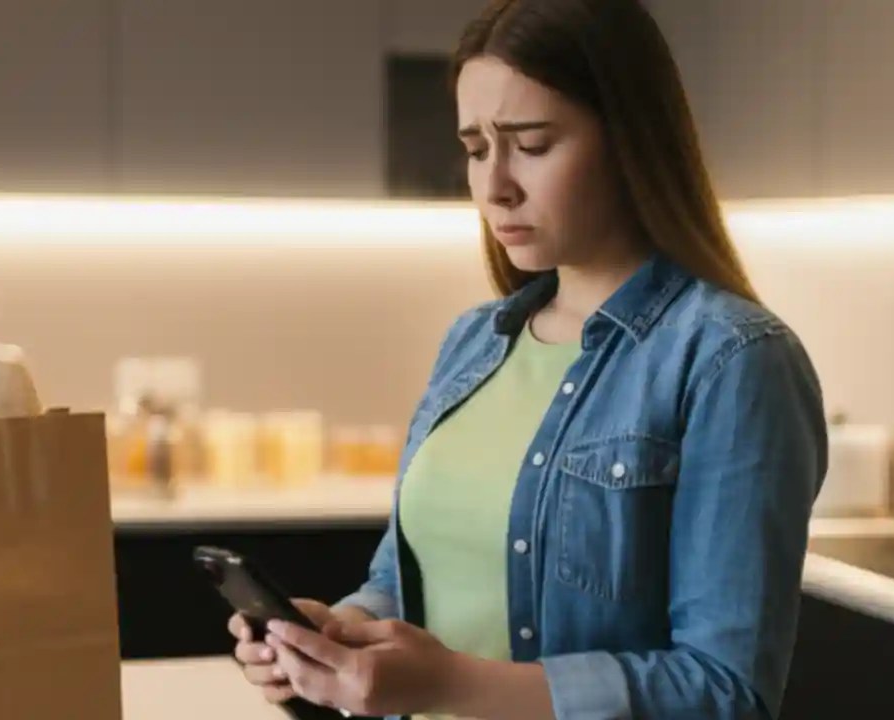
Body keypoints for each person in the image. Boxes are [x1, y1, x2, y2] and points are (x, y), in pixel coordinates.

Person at [230, 0, 827, 717]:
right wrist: (342, 634)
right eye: (477, 148)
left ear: (631, 139)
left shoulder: (733, 361)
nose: (494, 186)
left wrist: (450, 683)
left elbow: (725, 691)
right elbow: (407, 580)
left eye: (533, 144)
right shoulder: (474, 342)